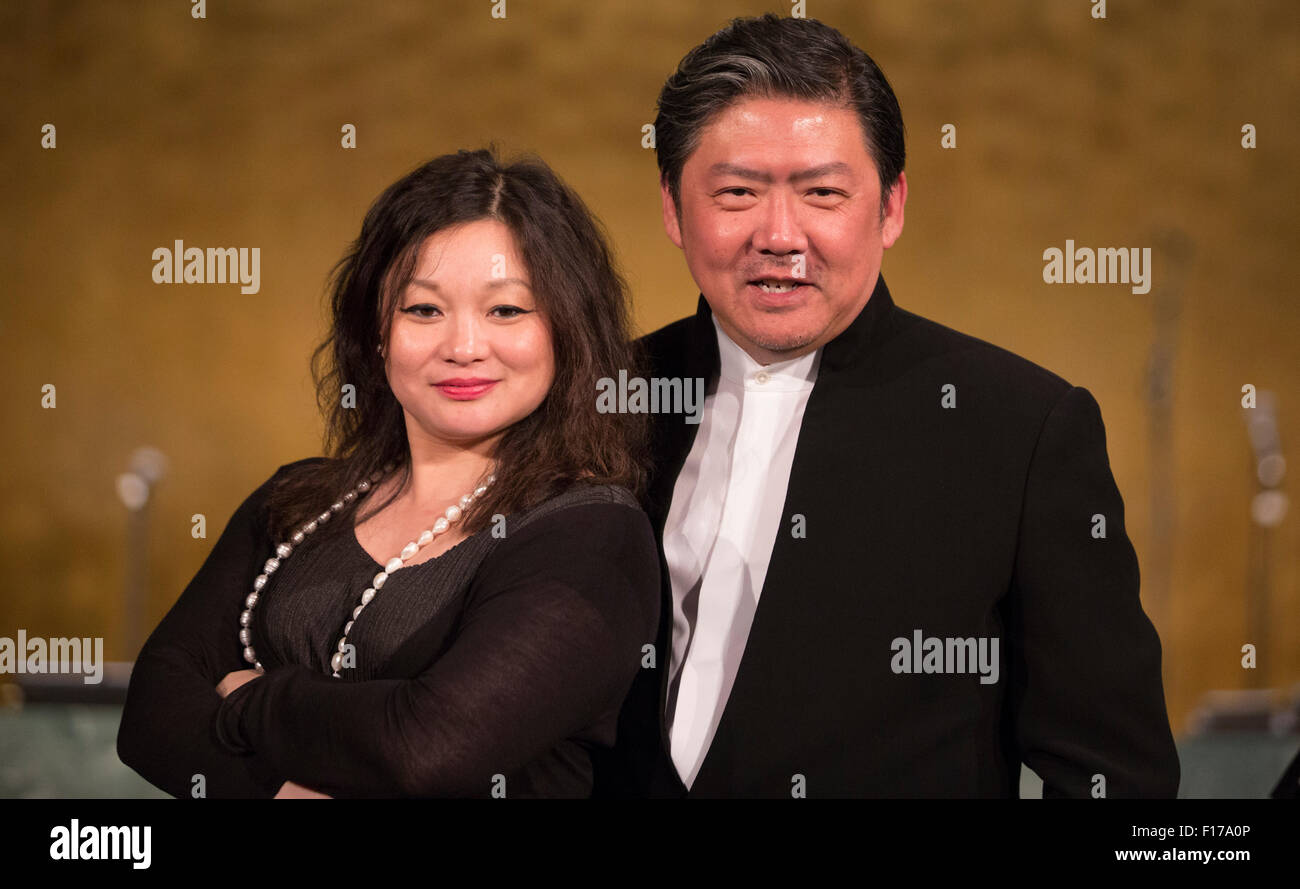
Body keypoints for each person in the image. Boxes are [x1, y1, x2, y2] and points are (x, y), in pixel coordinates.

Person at [596, 14, 1181, 798]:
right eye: (736, 192)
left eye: (823, 193)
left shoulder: (1020, 431)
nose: (780, 235)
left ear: (892, 206)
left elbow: (1120, 781)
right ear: (673, 207)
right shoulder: (597, 399)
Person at [117, 147, 660, 798]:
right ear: (377, 333)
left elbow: (433, 746)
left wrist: (254, 698)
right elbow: (151, 712)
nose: (462, 346)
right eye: (423, 309)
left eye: (507, 310)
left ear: (565, 332)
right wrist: (279, 793)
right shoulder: (296, 501)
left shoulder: (591, 532)